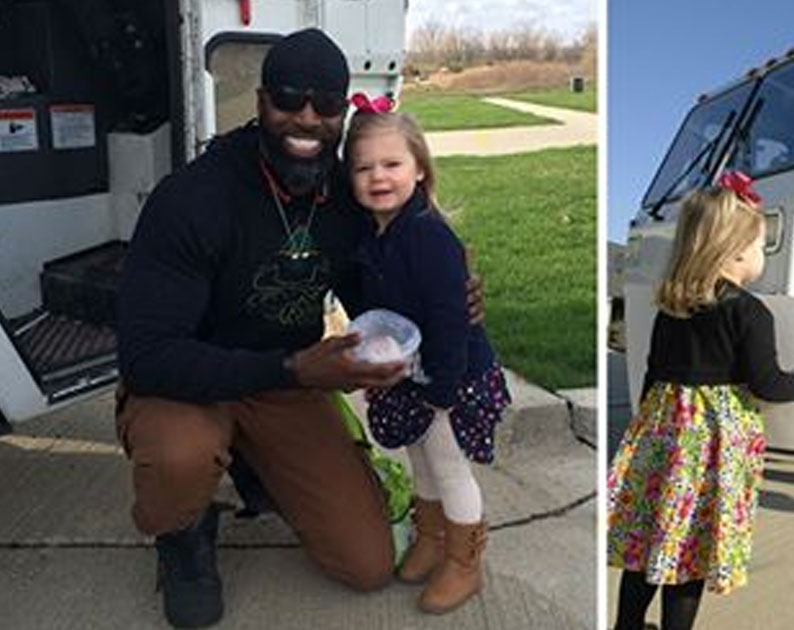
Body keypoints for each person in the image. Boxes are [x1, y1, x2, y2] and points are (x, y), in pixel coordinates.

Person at [115, 29, 480, 628]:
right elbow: (147, 356)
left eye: (325, 104)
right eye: (287, 98)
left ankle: (257, 466)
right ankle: (183, 534)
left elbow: (377, 291)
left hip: (284, 386)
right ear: (261, 101)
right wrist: (293, 368)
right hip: (186, 387)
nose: (306, 118)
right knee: (180, 456)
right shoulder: (193, 198)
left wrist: (448, 299)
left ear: (343, 109)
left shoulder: (344, 196)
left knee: (366, 566)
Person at [607, 172, 794, 630]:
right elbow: (768, 383)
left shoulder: (671, 306)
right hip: (711, 448)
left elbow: (654, 373)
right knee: (688, 556)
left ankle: (626, 626)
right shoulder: (750, 312)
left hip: (663, 436)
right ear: (734, 251)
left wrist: (645, 429)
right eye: (758, 245)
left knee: (649, 543)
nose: (760, 255)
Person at [344, 99, 510, 614]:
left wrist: (442, 387)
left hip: (449, 377)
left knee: (449, 466)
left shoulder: (427, 235)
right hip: (411, 375)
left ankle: (465, 562)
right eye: (363, 167)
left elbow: (449, 318)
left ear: (419, 168)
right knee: (419, 460)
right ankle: (432, 538)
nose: (378, 177)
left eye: (392, 164)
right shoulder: (377, 234)